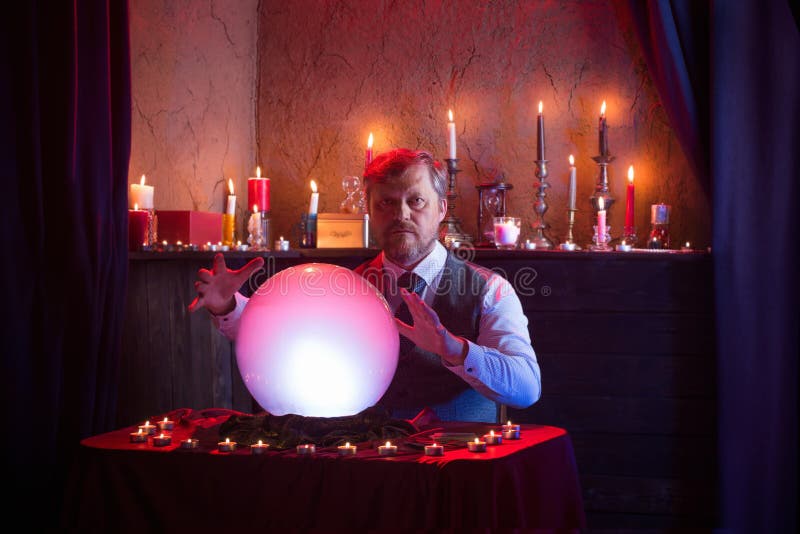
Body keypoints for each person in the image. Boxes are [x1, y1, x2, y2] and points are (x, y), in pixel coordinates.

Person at [189, 148, 541, 422]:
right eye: (386, 202)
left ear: (441, 210)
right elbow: (276, 338)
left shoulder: (490, 290)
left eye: (416, 201)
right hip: (368, 469)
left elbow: (527, 388)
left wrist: (454, 350)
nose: (401, 215)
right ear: (370, 212)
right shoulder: (345, 286)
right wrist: (228, 306)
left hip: (460, 471)